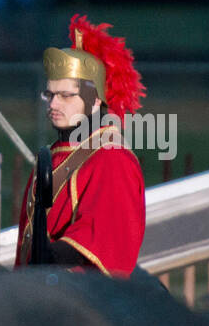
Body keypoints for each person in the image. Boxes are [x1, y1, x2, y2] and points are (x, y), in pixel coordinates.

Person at [15, 15, 146, 276]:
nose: (53, 104)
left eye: (66, 95)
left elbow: (108, 232)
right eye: (50, 95)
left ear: (96, 100)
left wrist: (54, 254)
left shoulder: (112, 156)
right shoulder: (54, 154)